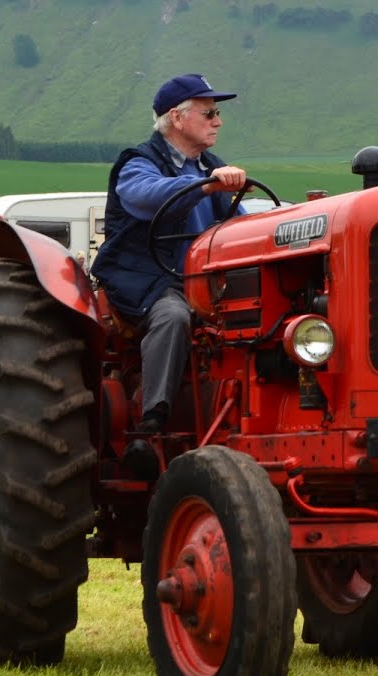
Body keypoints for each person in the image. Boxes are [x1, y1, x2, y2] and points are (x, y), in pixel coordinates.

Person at [90, 73, 248, 432]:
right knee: (173, 316)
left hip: (202, 283)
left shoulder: (211, 166)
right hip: (148, 279)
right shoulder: (139, 163)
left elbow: (238, 223)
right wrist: (206, 185)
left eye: (217, 113)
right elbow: (149, 195)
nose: (218, 121)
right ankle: (153, 418)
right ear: (177, 118)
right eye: (209, 114)